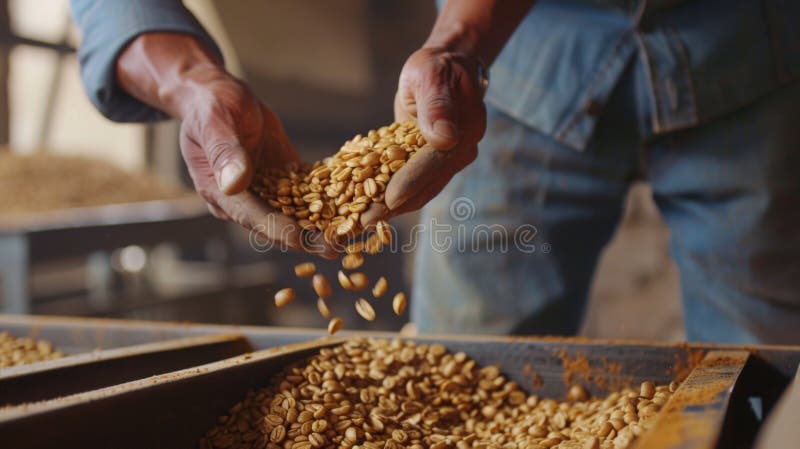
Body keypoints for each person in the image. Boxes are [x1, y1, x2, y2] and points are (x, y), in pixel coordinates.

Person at [71, 0, 800, 344]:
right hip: (526, 60)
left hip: (746, 42)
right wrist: (190, 79)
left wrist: (460, 40)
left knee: (765, 357)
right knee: (464, 353)